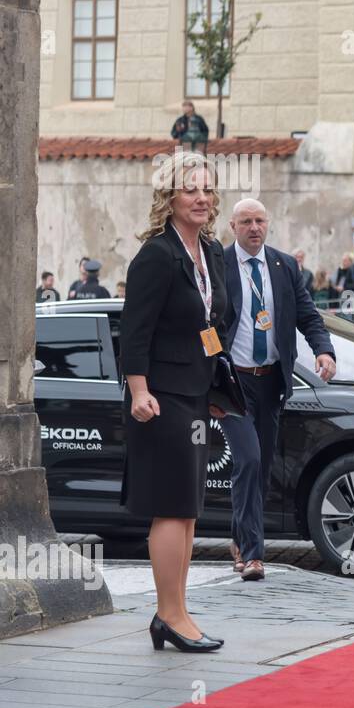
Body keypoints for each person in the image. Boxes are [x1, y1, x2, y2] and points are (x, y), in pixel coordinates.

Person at [120, 153, 228, 653]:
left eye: (207, 189)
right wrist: (139, 390)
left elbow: (212, 325)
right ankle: (168, 613)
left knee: (188, 508)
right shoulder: (157, 256)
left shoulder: (210, 252)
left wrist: (218, 389)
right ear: (170, 197)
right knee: (169, 505)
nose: (202, 198)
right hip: (160, 399)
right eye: (191, 190)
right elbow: (135, 332)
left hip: (196, 395)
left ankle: (178, 611)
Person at [220, 198, 336, 582]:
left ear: (267, 224)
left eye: (260, 221)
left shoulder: (284, 265)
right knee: (248, 460)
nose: (254, 228)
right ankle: (253, 555)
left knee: (261, 467)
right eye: (246, 222)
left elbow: (307, 315)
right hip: (233, 381)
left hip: (270, 381)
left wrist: (323, 350)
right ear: (233, 227)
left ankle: (239, 538)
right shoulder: (219, 266)